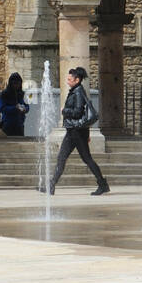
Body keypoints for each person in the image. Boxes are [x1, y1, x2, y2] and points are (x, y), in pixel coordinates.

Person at [49, 67, 109, 195]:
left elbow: (78, 113)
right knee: (63, 158)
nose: (67, 81)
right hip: (73, 131)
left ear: (77, 80)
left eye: (70, 79)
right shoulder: (76, 91)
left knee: (86, 159)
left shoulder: (78, 92)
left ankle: (102, 184)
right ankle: (51, 185)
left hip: (76, 132)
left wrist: (64, 111)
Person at [0, 73, 29, 137]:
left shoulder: (22, 94)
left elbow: (27, 106)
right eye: (15, 83)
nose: (16, 86)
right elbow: (2, 108)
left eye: (18, 84)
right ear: (11, 83)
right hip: (7, 125)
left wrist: (25, 109)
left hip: (19, 125)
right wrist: (14, 108)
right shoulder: (4, 94)